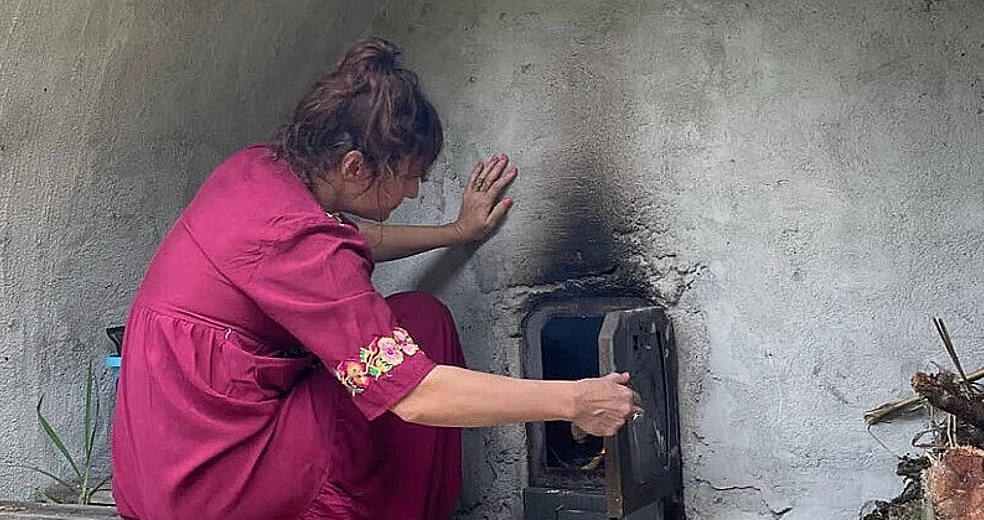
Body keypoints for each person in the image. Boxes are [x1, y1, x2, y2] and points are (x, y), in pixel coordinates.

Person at [111, 38, 640, 520]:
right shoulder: (301, 247)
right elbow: (415, 397)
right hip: (209, 487)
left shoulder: (258, 171)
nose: (411, 193)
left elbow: (346, 236)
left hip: (160, 463)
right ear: (354, 167)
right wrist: (574, 400)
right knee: (418, 342)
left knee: (417, 315)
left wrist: (456, 231)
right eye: (408, 177)